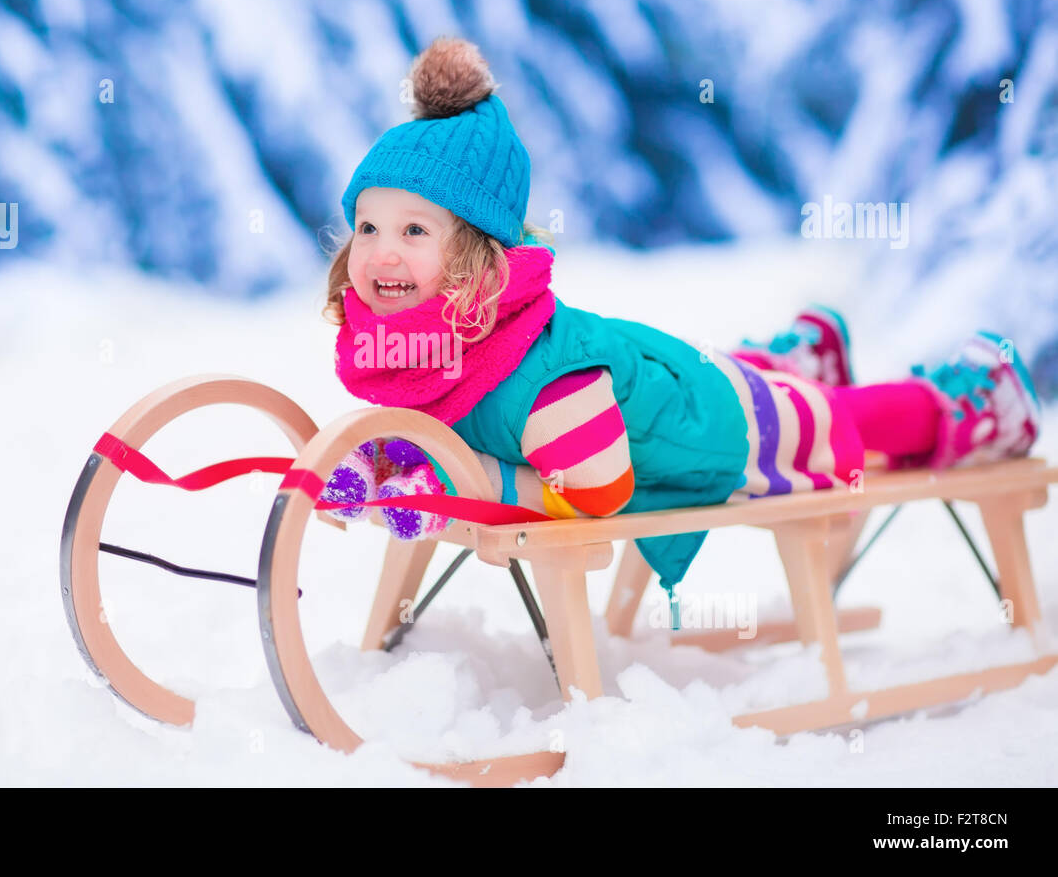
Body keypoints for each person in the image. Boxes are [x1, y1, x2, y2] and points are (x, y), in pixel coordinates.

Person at [318, 37, 1043, 600]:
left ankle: (971, 402)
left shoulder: (543, 385)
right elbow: (437, 438)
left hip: (720, 431)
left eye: (415, 232)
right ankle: (794, 359)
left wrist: (456, 483)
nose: (382, 252)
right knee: (724, 381)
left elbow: (598, 492)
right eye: (370, 227)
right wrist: (400, 468)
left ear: (477, 258)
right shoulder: (426, 348)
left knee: (831, 424)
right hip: (666, 381)